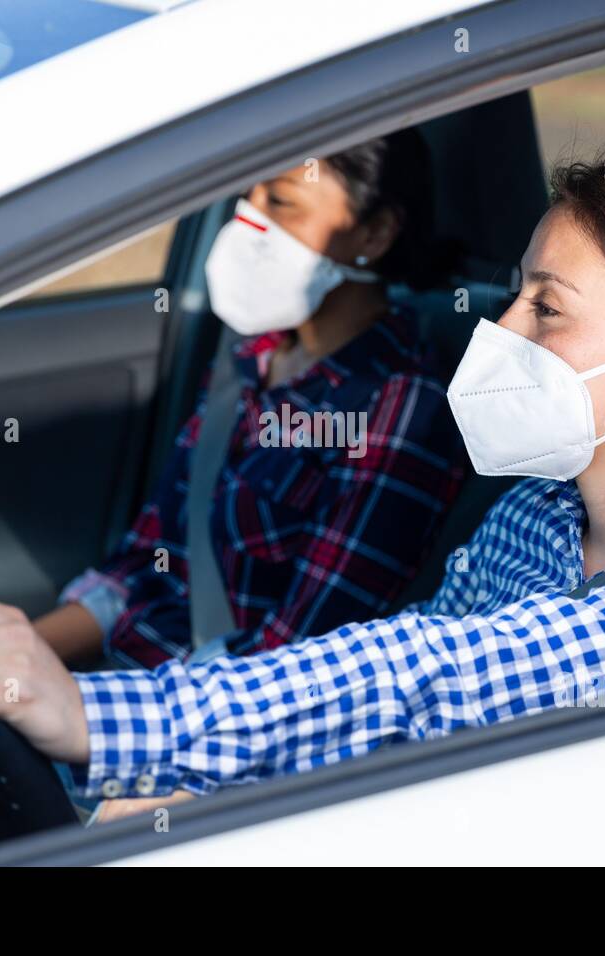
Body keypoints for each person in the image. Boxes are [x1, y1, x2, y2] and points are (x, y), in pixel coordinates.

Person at [0, 148, 605, 813]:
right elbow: (395, 724)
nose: (497, 334)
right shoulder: (535, 516)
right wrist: (195, 792)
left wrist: (102, 717)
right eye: (512, 296)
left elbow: (444, 675)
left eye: (547, 310)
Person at [33, 129, 466, 669]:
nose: (249, 220)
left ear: (374, 233)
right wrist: (22, 651)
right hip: (128, 680)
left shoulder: (396, 412)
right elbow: (148, 563)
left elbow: (292, 665)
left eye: (281, 202)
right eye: (247, 196)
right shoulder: (251, 359)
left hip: (204, 720)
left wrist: (86, 716)